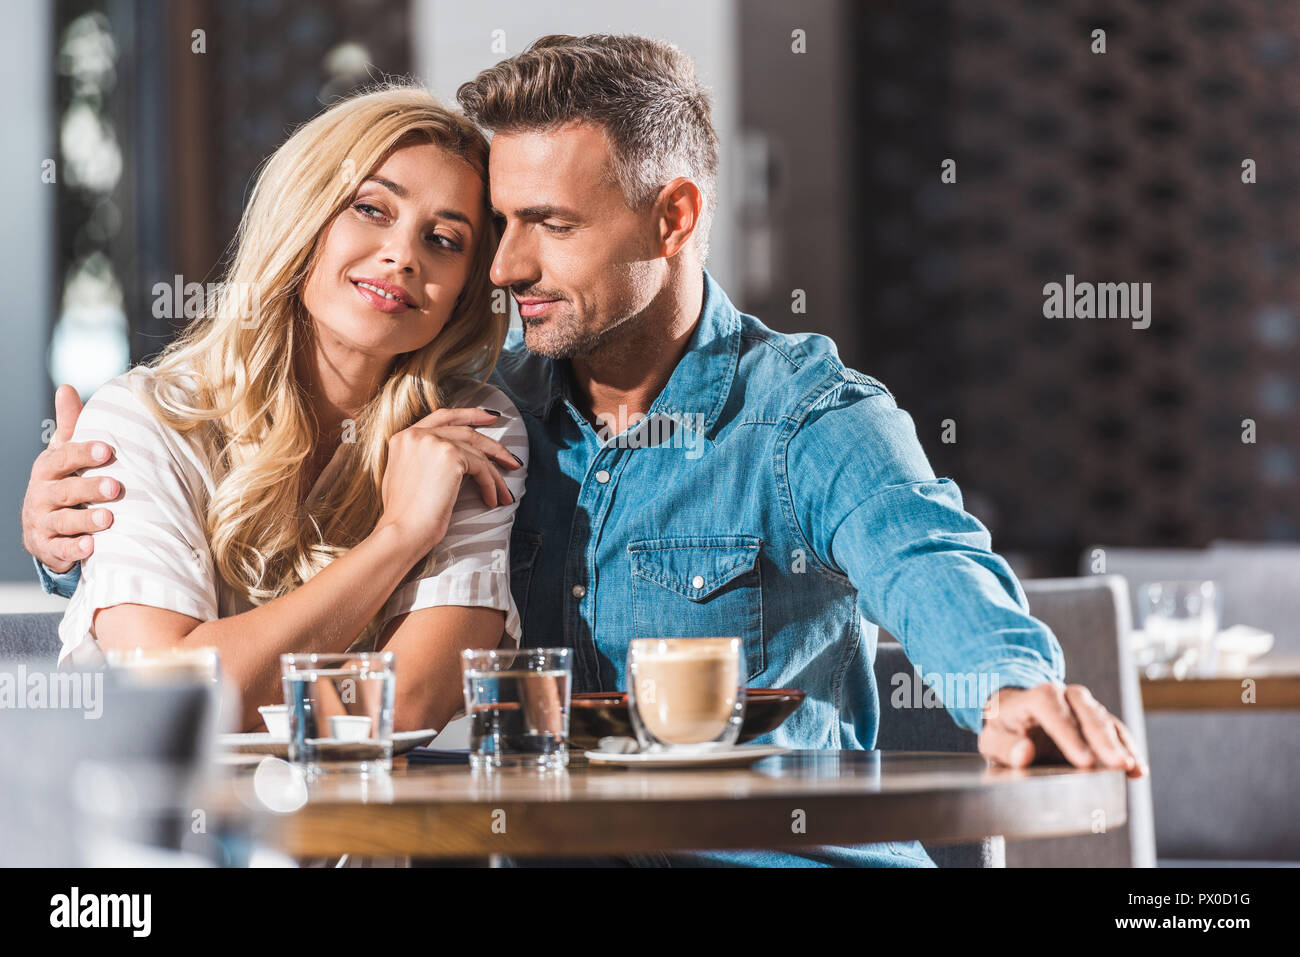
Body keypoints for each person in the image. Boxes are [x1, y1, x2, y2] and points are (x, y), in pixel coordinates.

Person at [24, 36, 1145, 866]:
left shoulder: (805, 415)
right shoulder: (486, 416)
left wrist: (1006, 683)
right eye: (497, 227)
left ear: (672, 219)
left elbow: (922, 550)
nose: (502, 269)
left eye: (548, 227)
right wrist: (75, 550)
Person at [24, 86, 528, 734]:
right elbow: (167, 702)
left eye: (443, 240)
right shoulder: (143, 420)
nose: (404, 255)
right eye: (372, 208)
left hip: (363, 833)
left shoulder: (470, 430)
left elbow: (415, 700)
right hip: (153, 828)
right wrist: (399, 538)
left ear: (465, 290)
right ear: (304, 212)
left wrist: (231, 673)